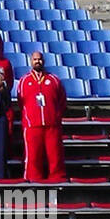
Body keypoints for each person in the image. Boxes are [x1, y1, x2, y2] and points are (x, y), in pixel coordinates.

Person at [14, 51, 67, 182]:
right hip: (32, 125)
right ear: (31, 61)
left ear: (44, 61)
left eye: (40, 59)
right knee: (33, 154)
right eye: (35, 59)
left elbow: (62, 100)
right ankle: (33, 177)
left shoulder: (54, 79)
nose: (37, 61)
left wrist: (55, 115)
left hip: (51, 124)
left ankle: (57, 177)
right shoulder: (24, 81)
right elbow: (21, 102)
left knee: (55, 153)